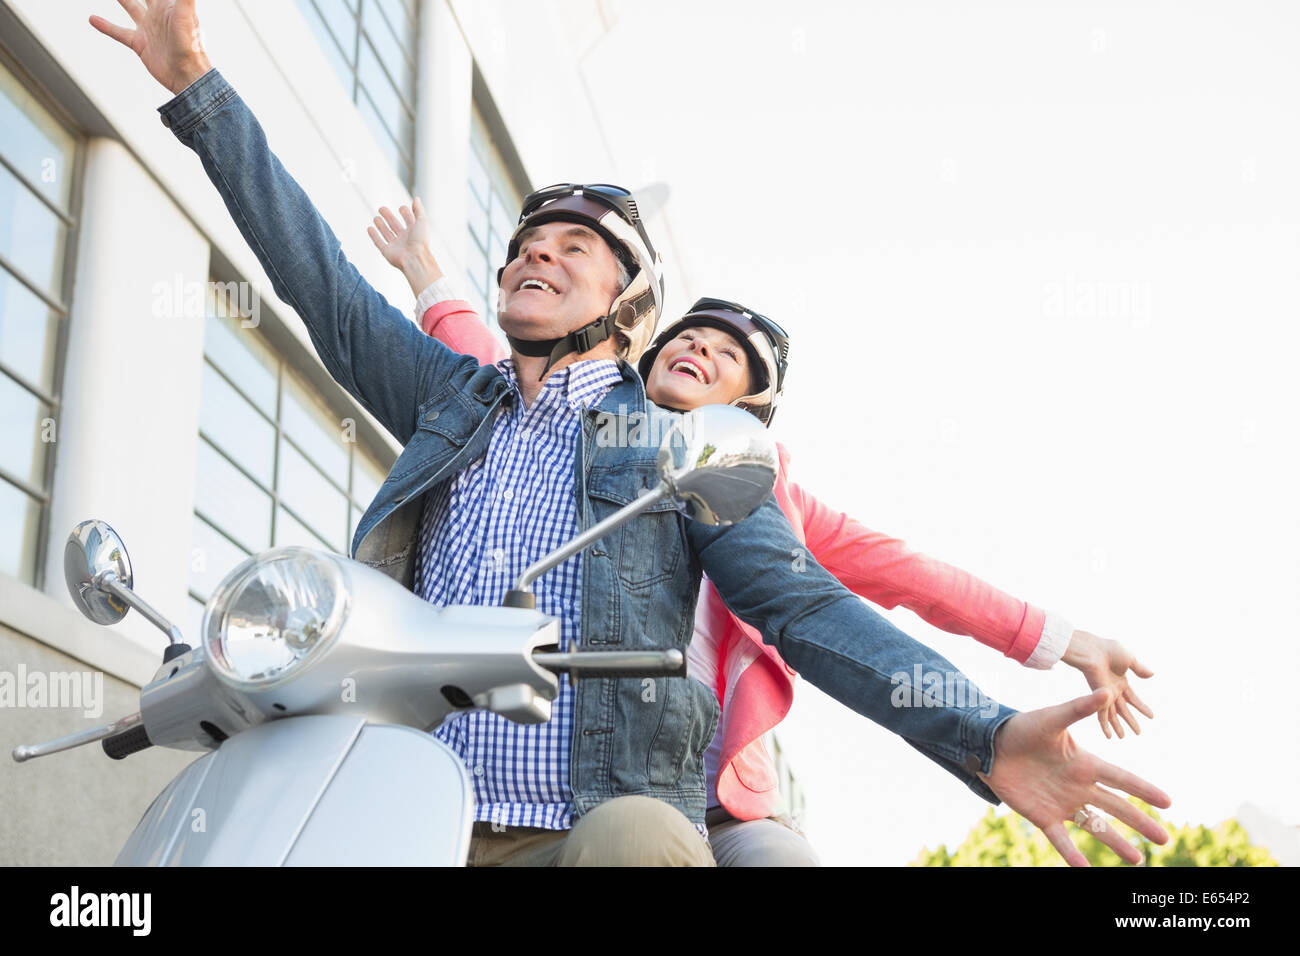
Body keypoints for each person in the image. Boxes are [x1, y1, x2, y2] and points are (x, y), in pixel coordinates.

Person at [90, 0, 1170, 868]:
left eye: (571, 247)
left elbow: (804, 602)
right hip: (398, 804)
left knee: (641, 838)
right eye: (522, 244)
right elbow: (318, 283)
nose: (533, 257)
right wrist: (197, 85)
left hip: (585, 819)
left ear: (628, 300)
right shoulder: (446, 395)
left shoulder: (679, 445)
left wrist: (976, 733)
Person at [369, 201, 1156, 866]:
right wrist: (423, 269)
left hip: (714, 797)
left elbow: (903, 580)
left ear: (745, 412)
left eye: (727, 356)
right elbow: (483, 357)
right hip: (574, 778)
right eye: (686, 338)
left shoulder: (762, 485)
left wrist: (1063, 641)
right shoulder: (565, 421)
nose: (698, 350)